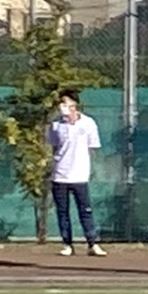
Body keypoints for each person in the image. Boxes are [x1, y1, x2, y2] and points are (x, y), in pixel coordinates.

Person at [47, 89, 107, 258]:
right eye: (61, 103)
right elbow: (54, 147)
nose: (63, 107)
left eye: (66, 103)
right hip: (60, 175)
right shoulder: (55, 124)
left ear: (75, 105)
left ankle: (92, 244)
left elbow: (92, 148)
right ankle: (67, 244)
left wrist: (88, 168)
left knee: (85, 211)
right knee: (63, 212)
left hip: (80, 176)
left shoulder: (88, 123)